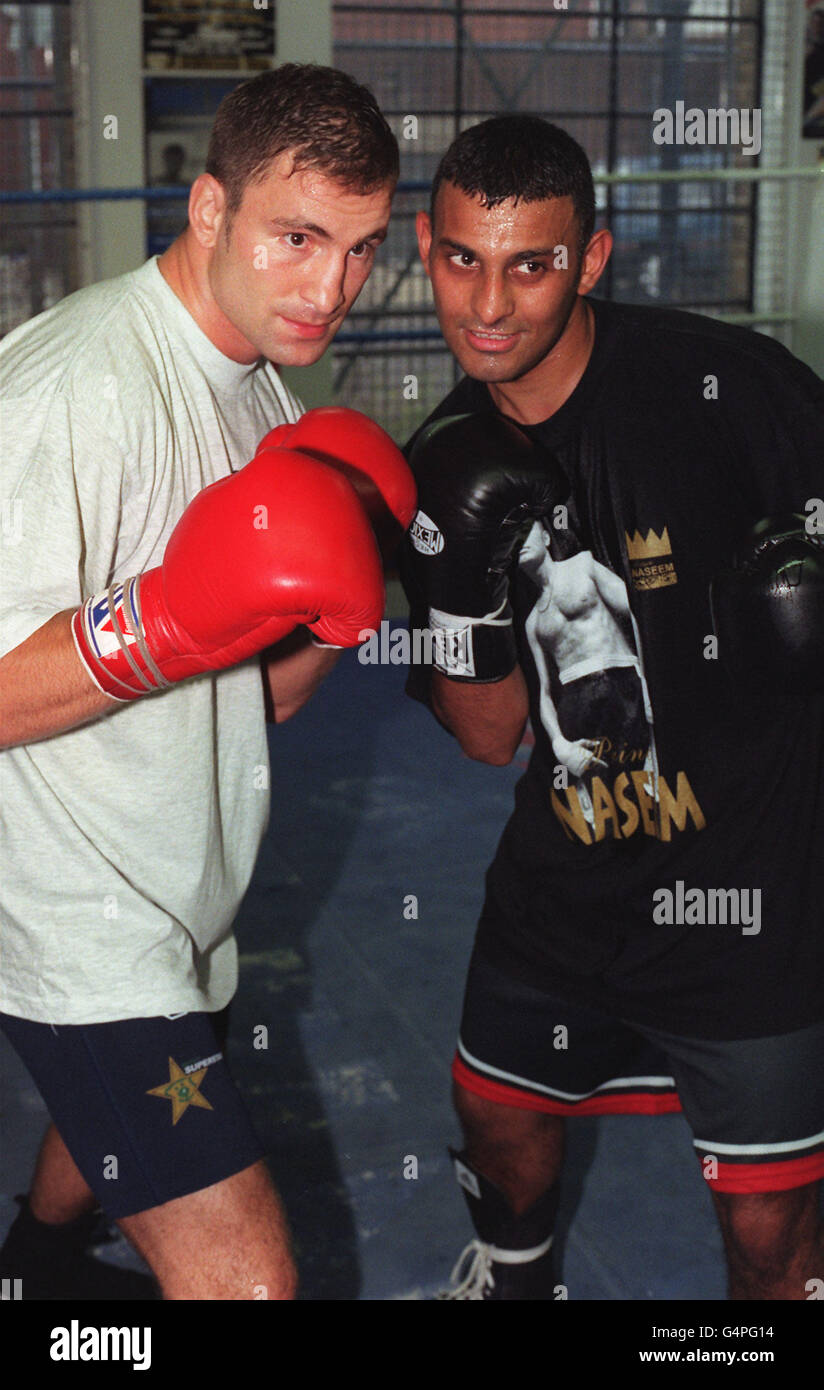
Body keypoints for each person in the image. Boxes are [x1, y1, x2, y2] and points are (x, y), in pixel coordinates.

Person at [0, 63, 413, 1301]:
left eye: (360, 247)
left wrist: (347, 602)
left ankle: (32, 1269)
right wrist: (166, 622)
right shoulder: (74, 390)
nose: (333, 286)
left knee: (106, 1144)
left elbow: (263, 697)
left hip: (183, 890)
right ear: (209, 210)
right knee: (248, 1288)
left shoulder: (267, 399)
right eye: (298, 237)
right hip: (78, 913)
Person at [400, 114, 824, 1301]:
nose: (488, 304)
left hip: (753, 905)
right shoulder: (439, 465)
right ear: (426, 251)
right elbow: (487, 739)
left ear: (587, 261)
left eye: (529, 264)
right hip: (567, 886)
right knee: (494, 1119)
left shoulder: (727, 390)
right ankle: (516, 1282)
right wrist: (453, 590)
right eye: (461, 260)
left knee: (770, 1244)